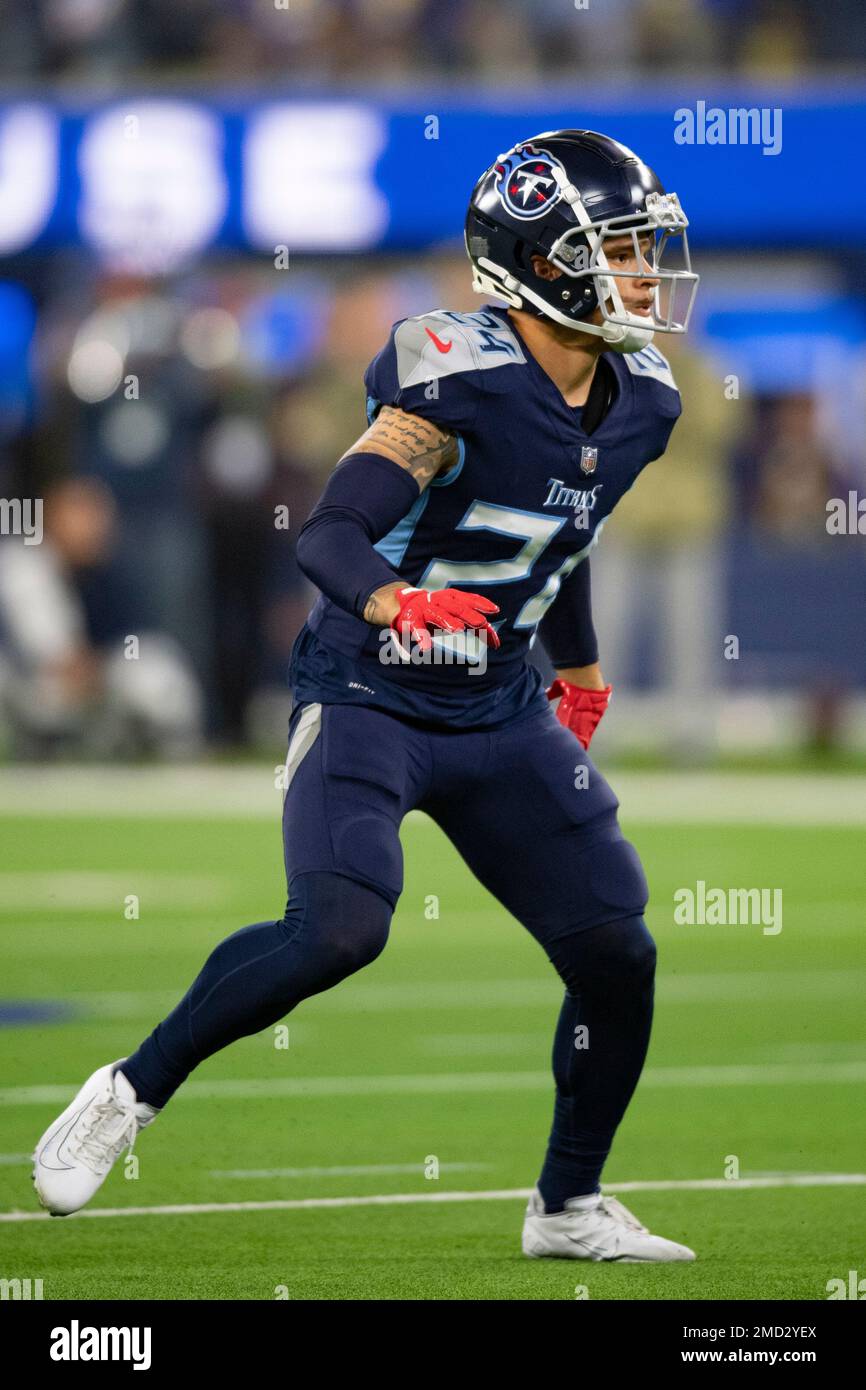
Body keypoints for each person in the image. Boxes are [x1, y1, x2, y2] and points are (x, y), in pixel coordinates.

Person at [33, 130, 700, 1263]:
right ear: (541, 264)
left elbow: (560, 533)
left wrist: (577, 670)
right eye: (622, 248)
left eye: (646, 247)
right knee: (339, 927)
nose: (646, 273)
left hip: (497, 705)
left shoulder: (641, 397)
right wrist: (398, 605)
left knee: (616, 949)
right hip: (368, 690)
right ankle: (128, 1088)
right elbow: (331, 530)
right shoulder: (453, 374)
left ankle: (566, 1205)